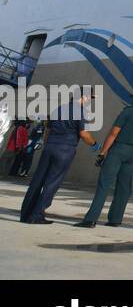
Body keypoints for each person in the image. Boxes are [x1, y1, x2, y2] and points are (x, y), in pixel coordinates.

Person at [75, 88, 133, 228]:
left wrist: (102, 153)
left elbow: (113, 133)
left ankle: (91, 219)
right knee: (124, 187)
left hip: (118, 150)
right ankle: (115, 220)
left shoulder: (127, 112)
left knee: (104, 184)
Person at [20, 88, 98, 224]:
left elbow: (48, 130)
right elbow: (83, 134)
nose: (89, 101)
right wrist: (94, 144)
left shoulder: (59, 109)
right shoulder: (79, 112)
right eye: (89, 98)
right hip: (65, 150)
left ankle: (25, 214)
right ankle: (36, 215)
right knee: (52, 183)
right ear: (83, 97)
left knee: (37, 181)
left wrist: (48, 145)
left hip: (50, 147)